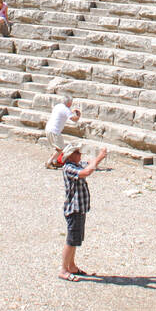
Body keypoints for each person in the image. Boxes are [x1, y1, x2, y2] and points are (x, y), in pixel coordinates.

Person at [60, 141, 108, 281]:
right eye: (76, 153)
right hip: (74, 208)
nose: (79, 155)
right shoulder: (68, 168)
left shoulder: (76, 165)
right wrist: (101, 156)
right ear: (69, 156)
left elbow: (90, 165)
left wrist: (99, 157)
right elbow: (87, 171)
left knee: (75, 239)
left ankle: (71, 266)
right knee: (71, 239)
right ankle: (63, 269)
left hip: (80, 208)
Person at [44, 95, 80, 168]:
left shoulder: (58, 106)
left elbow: (63, 113)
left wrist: (71, 111)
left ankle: (55, 161)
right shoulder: (66, 109)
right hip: (55, 131)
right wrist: (78, 116)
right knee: (60, 149)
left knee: (57, 147)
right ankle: (49, 162)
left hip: (49, 128)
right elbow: (74, 119)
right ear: (69, 103)